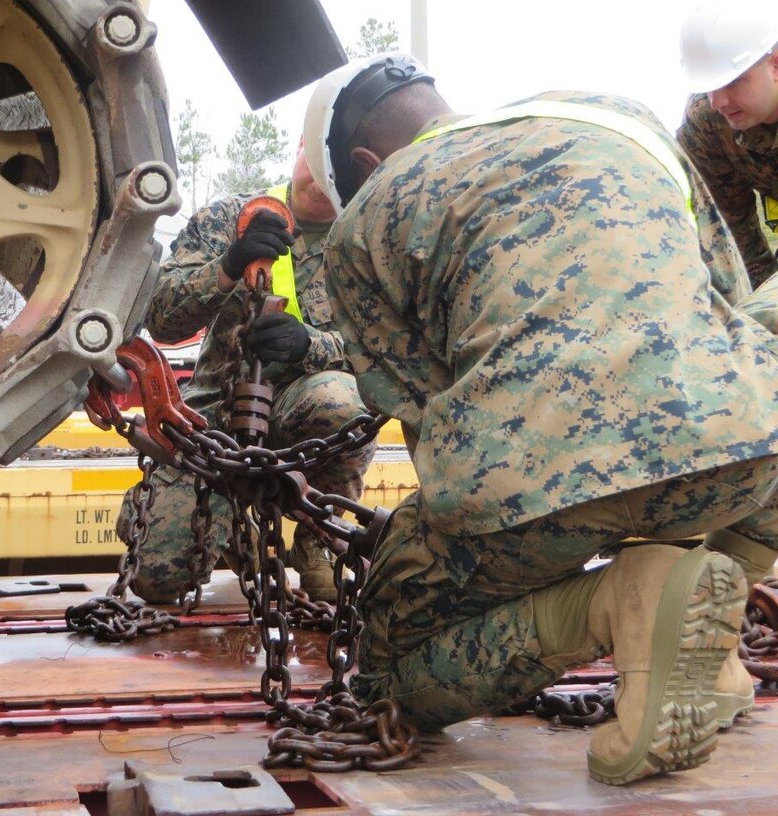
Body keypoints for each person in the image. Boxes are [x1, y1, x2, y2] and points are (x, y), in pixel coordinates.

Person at [302, 52, 778, 785]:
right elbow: (728, 293)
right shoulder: (619, 115)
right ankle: (708, 622)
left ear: (365, 163)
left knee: (388, 673)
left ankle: (620, 602)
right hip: (738, 450)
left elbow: (421, 408)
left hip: (533, 486)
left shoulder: (363, 224)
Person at [114, 139, 376, 603]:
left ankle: (319, 540)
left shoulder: (369, 242)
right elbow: (162, 320)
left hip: (305, 414)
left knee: (344, 401)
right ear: (299, 144)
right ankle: (228, 524)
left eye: (335, 171)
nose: (319, 178)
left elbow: (386, 351)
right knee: (156, 579)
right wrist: (227, 266)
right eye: (315, 160)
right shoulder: (230, 219)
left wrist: (309, 346)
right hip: (217, 424)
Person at [677, 0, 778, 290]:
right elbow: (730, 233)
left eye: (733, 82)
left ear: (776, 65)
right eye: (708, 85)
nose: (717, 101)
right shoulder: (707, 122)